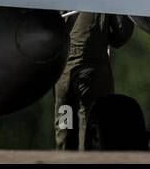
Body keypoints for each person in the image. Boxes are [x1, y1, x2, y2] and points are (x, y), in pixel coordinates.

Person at [53, 12, 134, 150]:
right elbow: (121, 34)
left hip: (62, 76)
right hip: (91, 73)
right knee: (89, 126)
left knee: (64, 126)